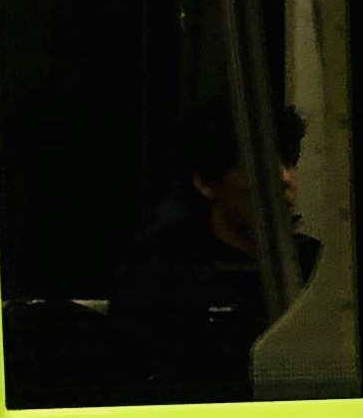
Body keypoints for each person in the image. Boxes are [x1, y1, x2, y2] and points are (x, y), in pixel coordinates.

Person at [106, 93, 315, 402]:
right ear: (206, 183)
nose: (285, 178)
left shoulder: (315, 267)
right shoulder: (162, 283)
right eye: (258, 166)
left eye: (289, 162)